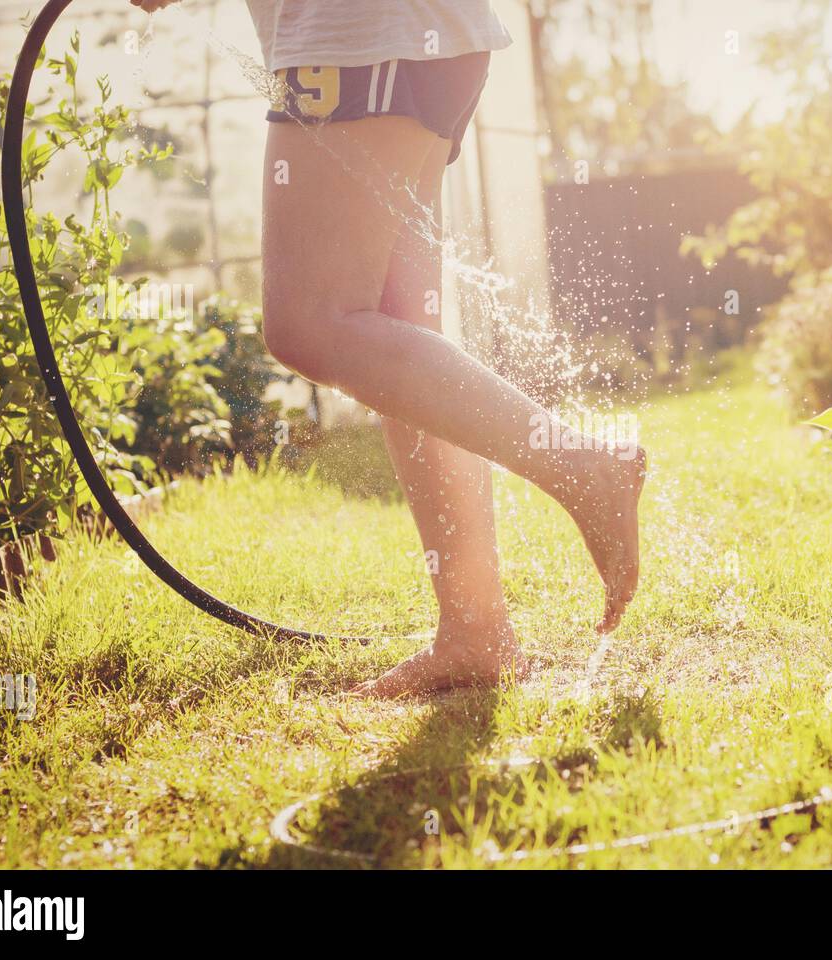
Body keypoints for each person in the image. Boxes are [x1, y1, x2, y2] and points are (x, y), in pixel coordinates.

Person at [129, 0, 646, 698]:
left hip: (358, 38)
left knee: (313, 324)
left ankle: (579, 465)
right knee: (398, 329)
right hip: (417, 44)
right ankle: (476, 632)